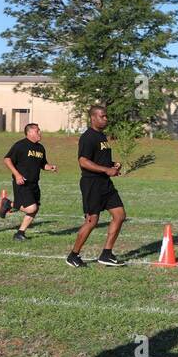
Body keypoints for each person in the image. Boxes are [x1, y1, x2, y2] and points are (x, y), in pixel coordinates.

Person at [67, 105, 126, 267]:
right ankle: (73, 255)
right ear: (93, 118)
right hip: (91, 183)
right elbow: (83, 161)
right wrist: (107, 169)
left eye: (106, 116)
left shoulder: (102, 137)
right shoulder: (88, 137)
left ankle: (106, 254)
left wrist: (113, 165)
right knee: (92, 221)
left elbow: (99, 159)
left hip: (105, 183)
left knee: (119, 215)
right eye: (102, 116)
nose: (106, 119)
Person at [0, 123, 56, 241]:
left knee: (35, 208)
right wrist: (17, 175)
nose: (40, 133)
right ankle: (8, 204)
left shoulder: (40, 148)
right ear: (29, 133)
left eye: (39, 130)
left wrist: (50, 167)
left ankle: (20, 233)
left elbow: (43, 164)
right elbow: (7, 159)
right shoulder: (20, 145)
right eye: (37, 131)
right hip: (22, 182)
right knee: (31, 208)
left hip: (34, 183)